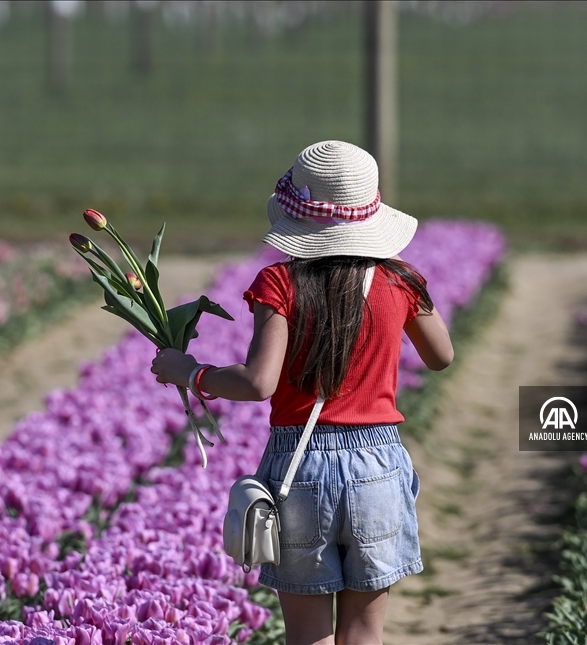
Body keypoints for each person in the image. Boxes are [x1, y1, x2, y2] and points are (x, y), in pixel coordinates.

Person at [151, 140, 453, 645]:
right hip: (377, 466)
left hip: (301, 468)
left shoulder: (279, 283)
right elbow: (441, 356)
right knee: (363, 628)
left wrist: (192, 373)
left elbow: (258, 383)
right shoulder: (400, 279)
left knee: (306, 634)